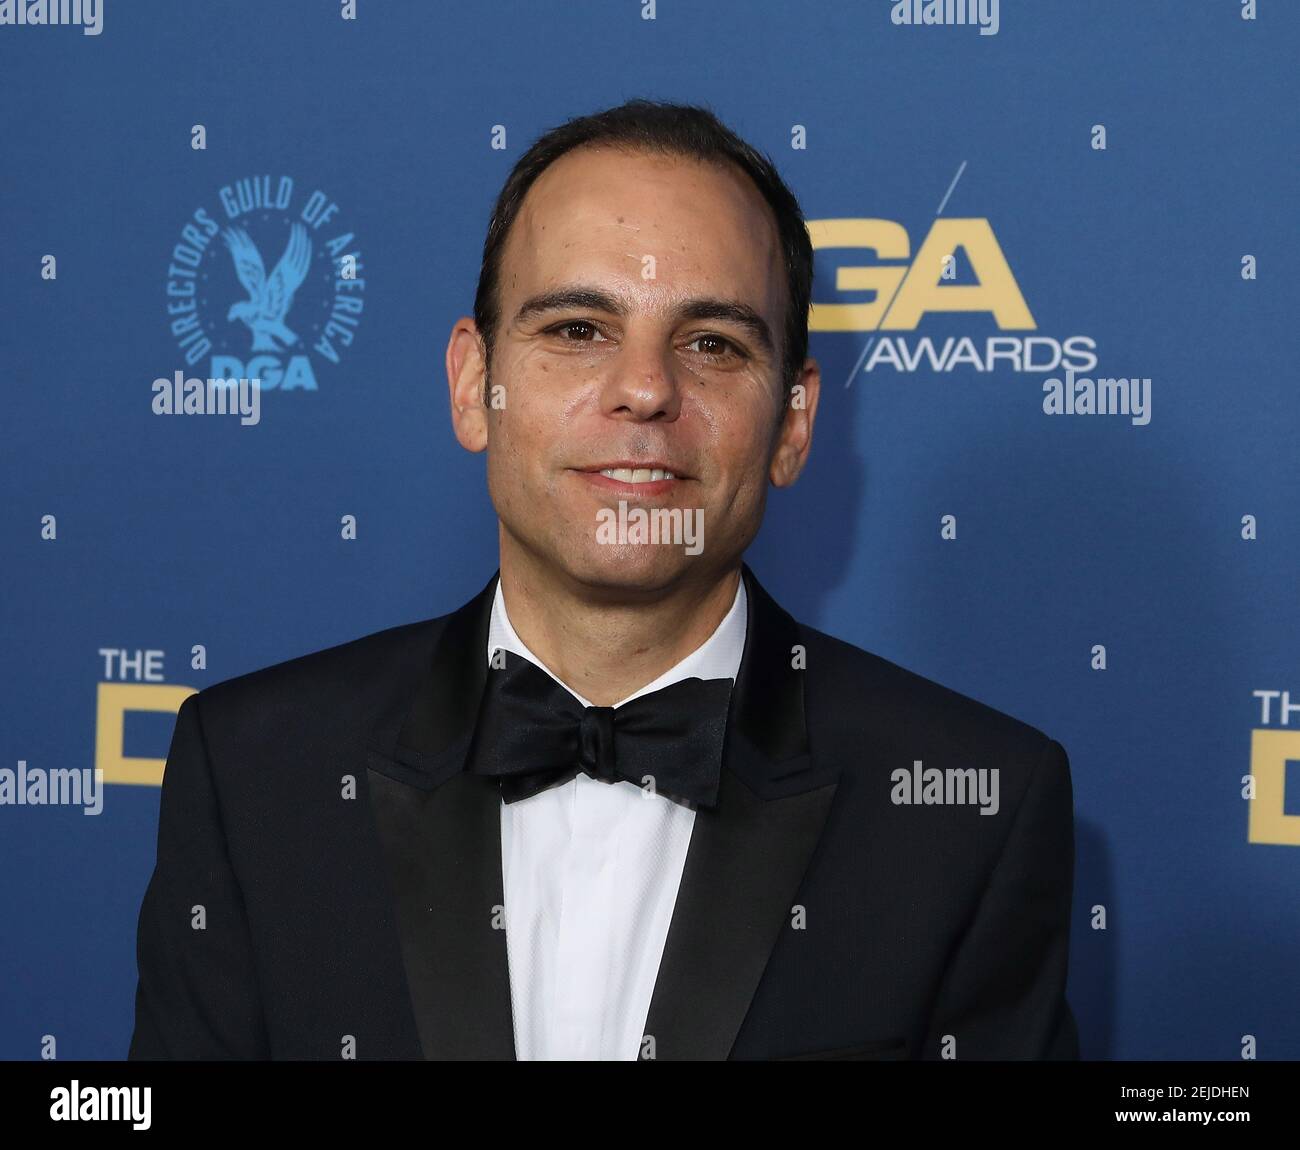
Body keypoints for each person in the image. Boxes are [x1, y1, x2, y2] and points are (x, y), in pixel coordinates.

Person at [129, 98, 1078, 1061]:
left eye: (713, 343)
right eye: (579, 329)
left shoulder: (971, 814)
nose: (645, 388)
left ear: (793, 422)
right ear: (473, 386)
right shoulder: (254, 772)